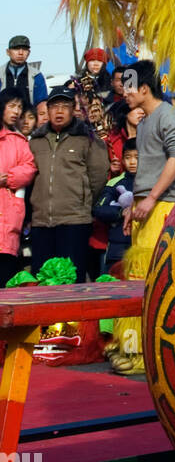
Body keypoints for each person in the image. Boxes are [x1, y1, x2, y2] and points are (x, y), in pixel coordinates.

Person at [110, 61, 175, 375]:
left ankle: (142, 354)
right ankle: (131, 347)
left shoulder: (169, 116)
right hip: (145, 205)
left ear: (144, 88)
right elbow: (147, 170)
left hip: (163, 206)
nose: (124, 93)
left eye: (128, 87)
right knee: (134, 280)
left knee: (146, 279)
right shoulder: (143, 122)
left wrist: (153, 198)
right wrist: (134, 205)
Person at [28, 89, 109, 281]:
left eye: (65, 107)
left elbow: (98, 175)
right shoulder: (35, 141)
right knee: (42, 279)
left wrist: (83, 200)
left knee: (72, 280)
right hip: (41, 222)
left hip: (74, 221)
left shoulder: (86, 139)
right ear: (47, 110)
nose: (59, 111)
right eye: (55, 106)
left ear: (73, 109)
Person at [0, 101, 37, 285]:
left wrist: (8, 178)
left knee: (5, 287)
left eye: (19, 108)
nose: (16, 112)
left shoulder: (18, 141)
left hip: (7, 222)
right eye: (12, 106)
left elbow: (29, 168)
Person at [92, 141, 138, 275]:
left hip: (144, 245)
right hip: (118, 246)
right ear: (122, 160)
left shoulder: (153, 183)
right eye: (128, 157)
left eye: (137, 157)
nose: (132, 162)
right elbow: (99, 209)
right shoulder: (115, 183)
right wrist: (121, 212)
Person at [4, 36, 47, 110]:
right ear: (8, 52)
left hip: (28, 120)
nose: (21, 53)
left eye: (24, 49)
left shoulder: (37, 76)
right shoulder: (1, 74)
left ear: (29, 52)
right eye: (16, 49)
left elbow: (42, 104)